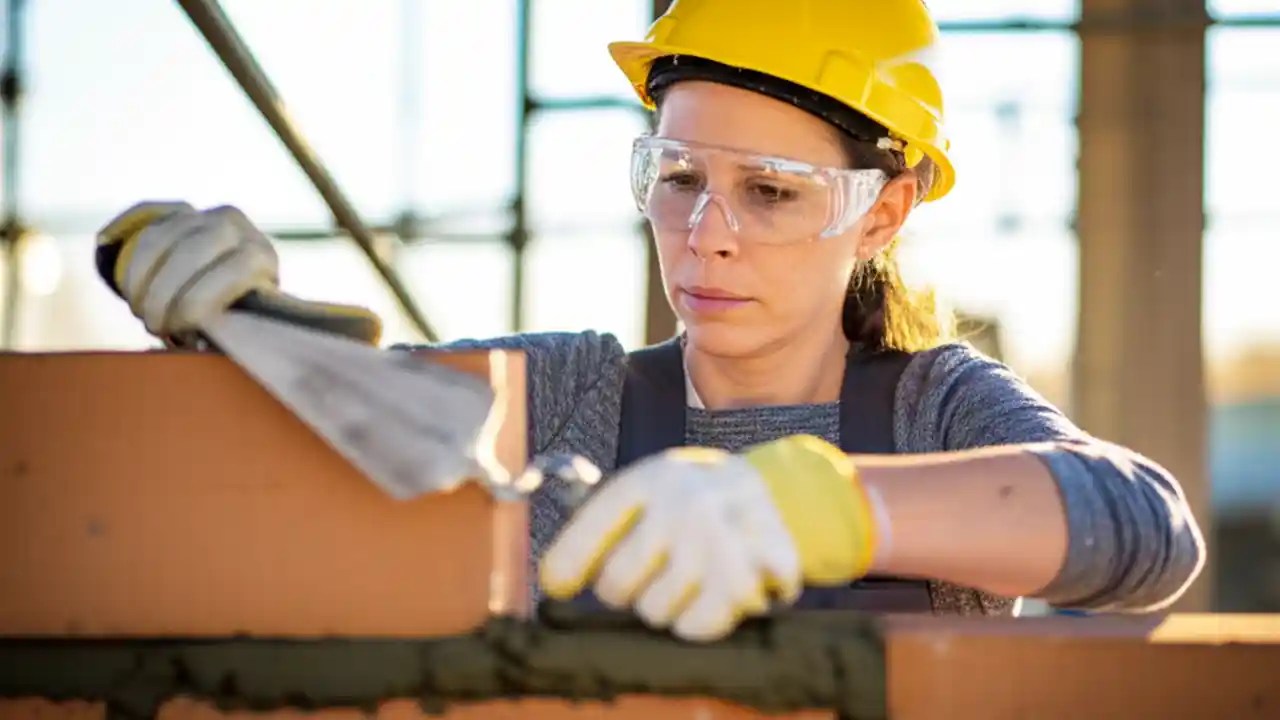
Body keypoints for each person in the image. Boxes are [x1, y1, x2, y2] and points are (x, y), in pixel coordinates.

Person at [95, 0, 1204, 643]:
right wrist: (224, 325)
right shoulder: (564, 399)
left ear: (884, 211)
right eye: (676, 177)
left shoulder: (931, 409)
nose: (704, 234)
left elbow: (1145, 530)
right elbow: (299, 439)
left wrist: (823, 509)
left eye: (769, 192)